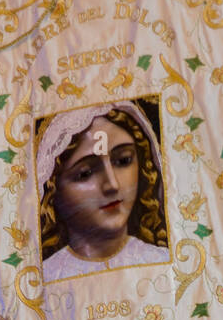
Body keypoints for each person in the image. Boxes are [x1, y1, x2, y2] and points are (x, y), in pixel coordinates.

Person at [37, 102, 169, 281]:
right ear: (52, 190)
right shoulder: (41, 280)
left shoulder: (162, 262)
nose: (112, 185)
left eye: (123, 161)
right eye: (85, 173)